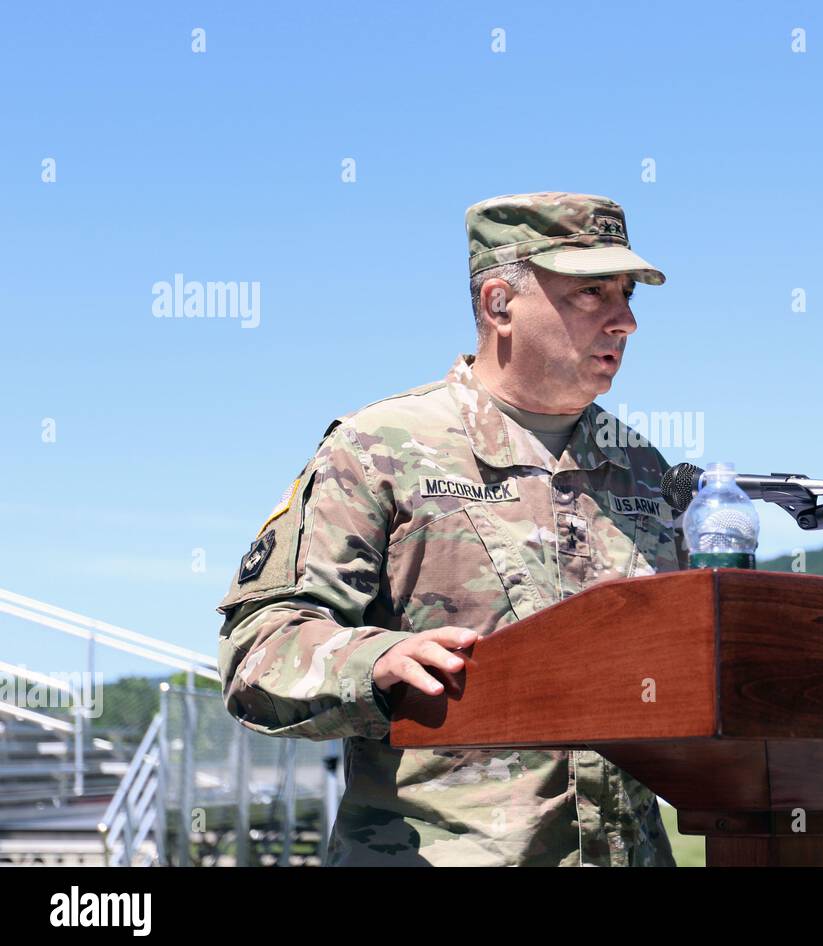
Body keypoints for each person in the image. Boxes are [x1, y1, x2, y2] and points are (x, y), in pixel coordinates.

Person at [215, 192, 686, 866]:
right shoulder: (379, 447)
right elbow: (258, 649)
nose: (625, 322)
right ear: (499, 304)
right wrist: (372, 663)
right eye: (591, 294)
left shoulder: (644, 470)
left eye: (627, 295)